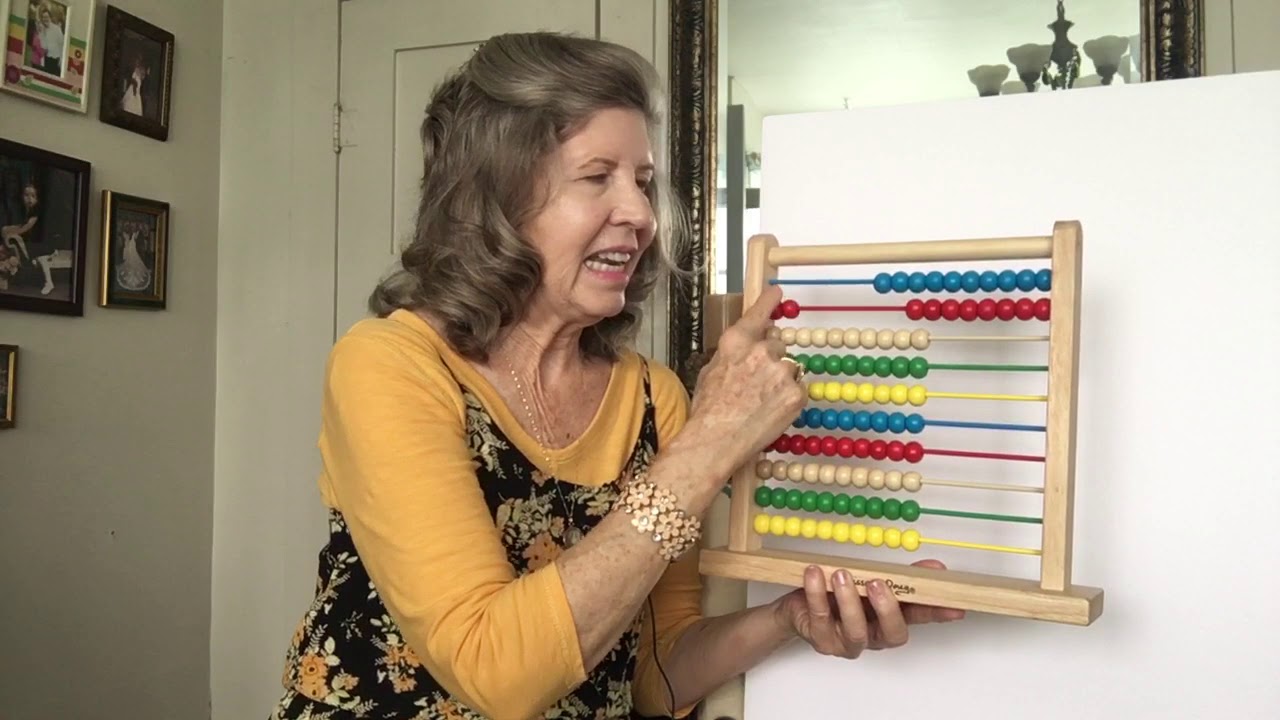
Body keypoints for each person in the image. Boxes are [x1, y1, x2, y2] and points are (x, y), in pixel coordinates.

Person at [271, 31, 963, 720]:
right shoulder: (390, 365)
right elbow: (494, 672)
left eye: (643, 181)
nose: (639, 215)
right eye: (597, 176)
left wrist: (788, 618)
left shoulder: (653, 399)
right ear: (497, 199)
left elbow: (654, 673)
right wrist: (711, 443)